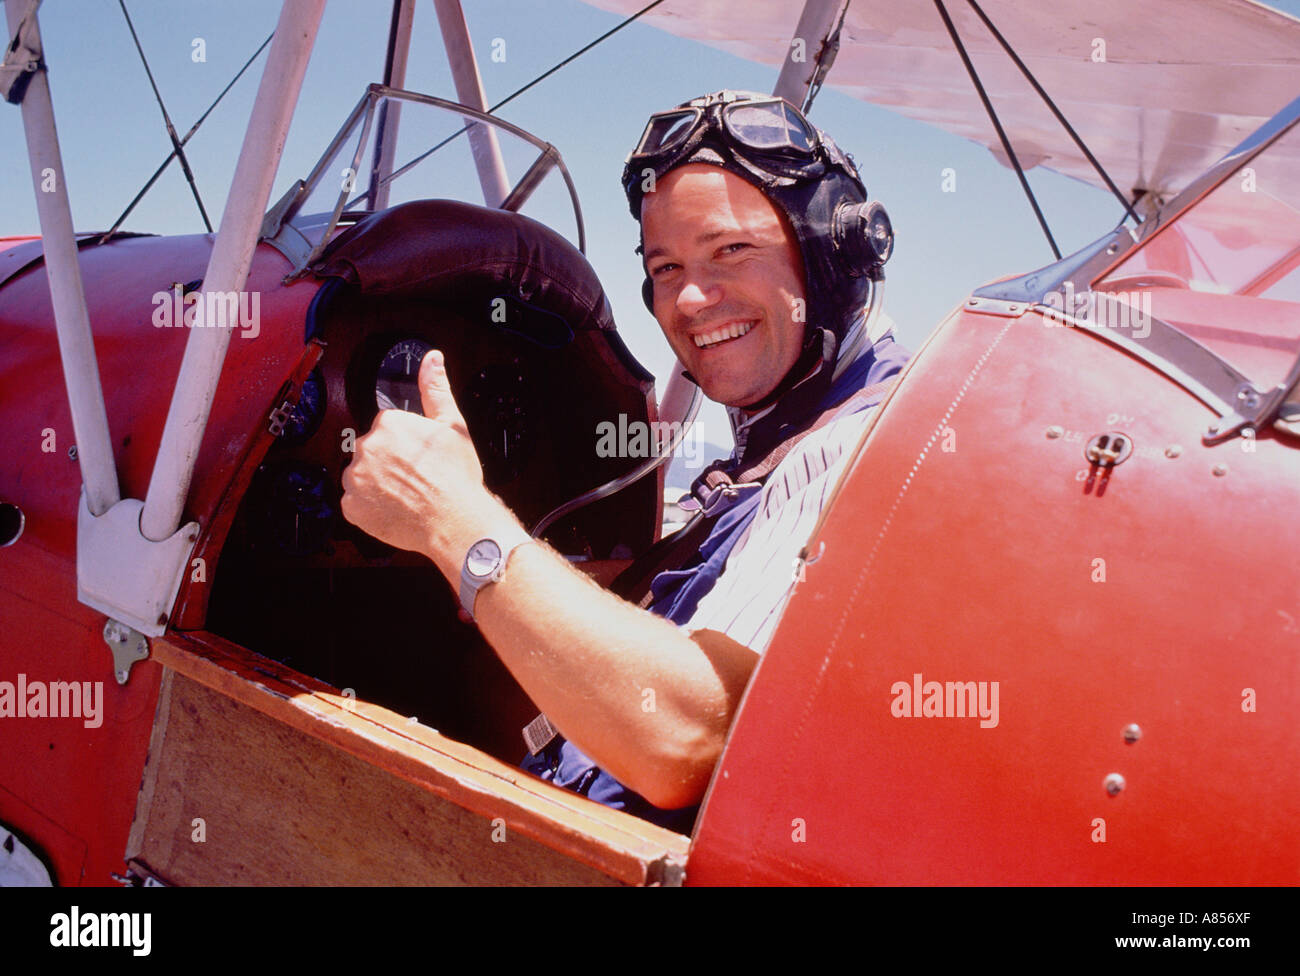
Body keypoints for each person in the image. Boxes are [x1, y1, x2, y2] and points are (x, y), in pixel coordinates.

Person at [339, 90, 909, 832]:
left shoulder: (856, 444)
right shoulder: (784, 438)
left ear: (834, 253)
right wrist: (544, 587)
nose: (694, 297)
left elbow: (683, 739)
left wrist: (456, 522)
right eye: (666, 267)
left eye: (731, 250)